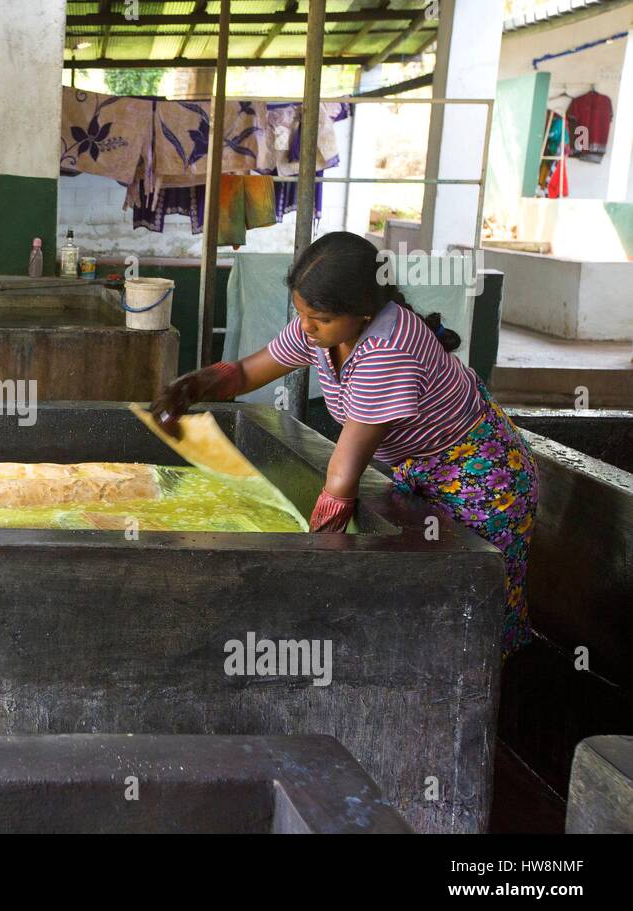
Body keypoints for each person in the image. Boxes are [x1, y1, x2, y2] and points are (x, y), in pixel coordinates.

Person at [151, 231, 538, 656]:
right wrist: (190, 386)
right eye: (301, 313)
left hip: (482, 480)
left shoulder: (387, 350)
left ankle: (496, 708)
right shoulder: (322, 331)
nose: (306, 327)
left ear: (363, 311)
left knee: (477, 610)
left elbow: (342, 477)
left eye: (318, 317)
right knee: (428, 602)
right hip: (421, 468)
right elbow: (247, 372)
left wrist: (306, 560)